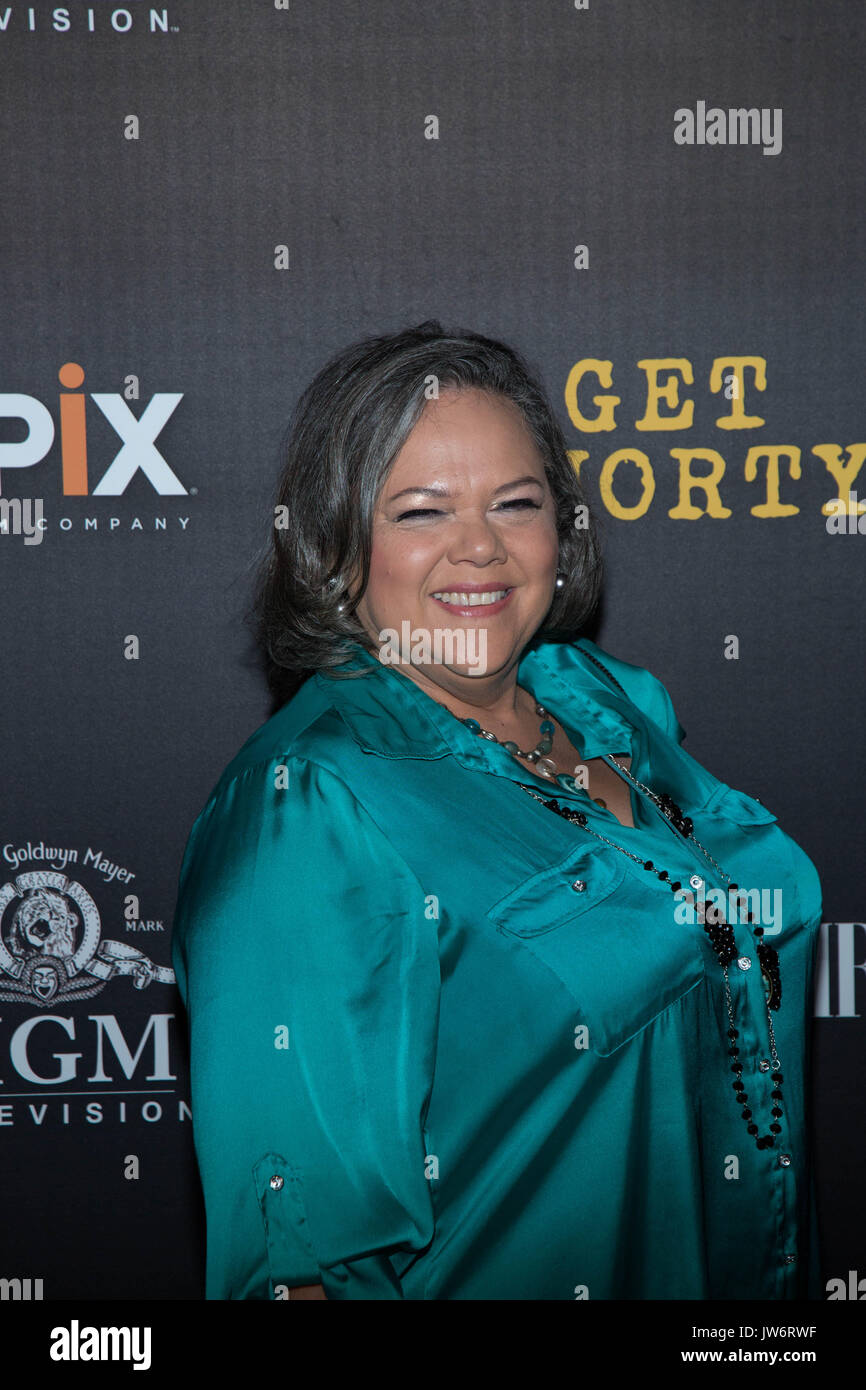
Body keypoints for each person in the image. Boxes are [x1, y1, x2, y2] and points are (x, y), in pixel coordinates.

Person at [171, 320, 824, 1300]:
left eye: (514, 503)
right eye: (420, 512)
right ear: (331, 551)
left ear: (561, 535)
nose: (478, 546)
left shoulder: (608, 702)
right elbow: (294, 1271)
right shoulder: (310, 809)